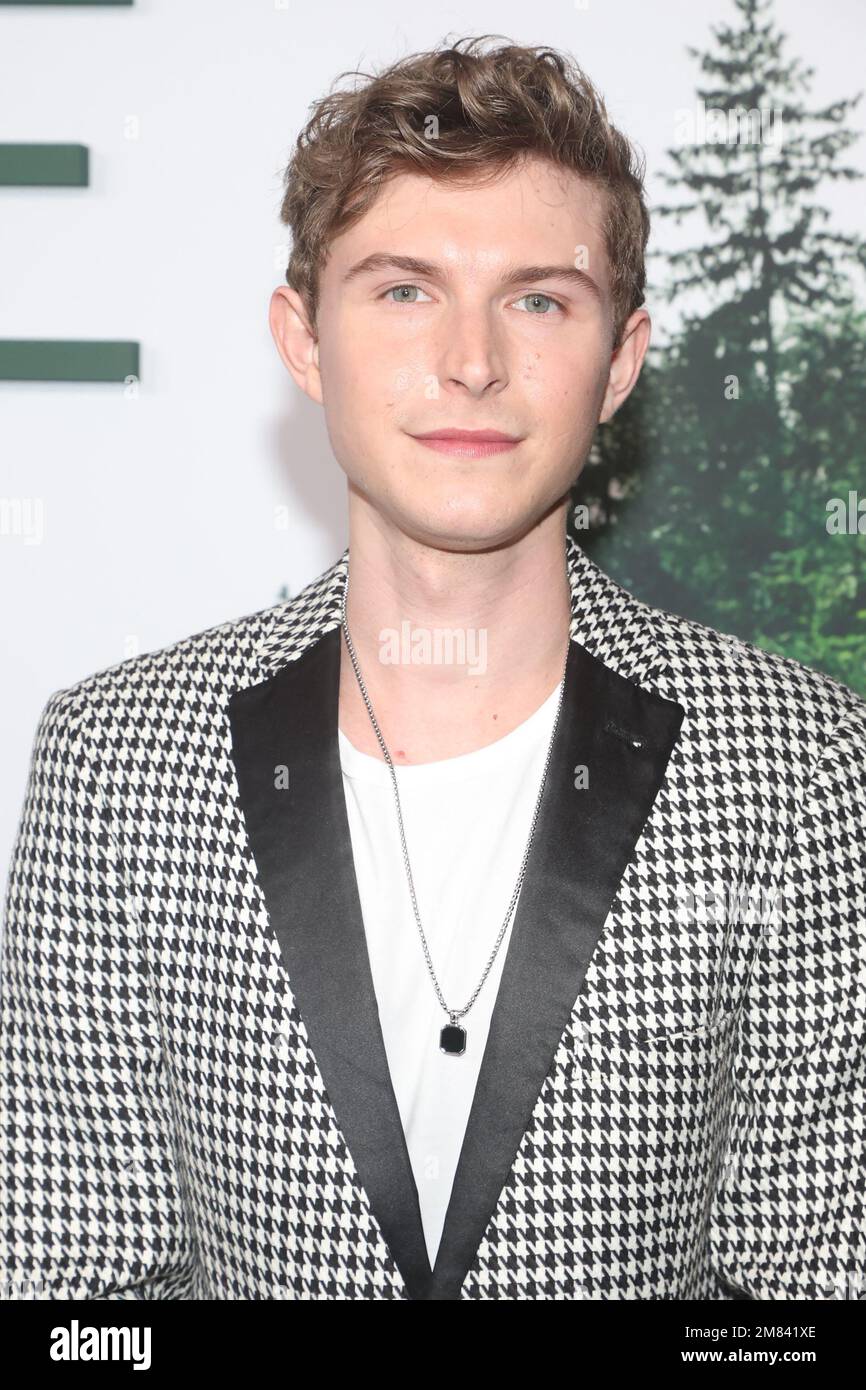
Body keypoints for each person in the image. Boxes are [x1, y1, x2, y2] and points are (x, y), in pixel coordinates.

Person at [1, 35, 864, 1302]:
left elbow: (814, 1305)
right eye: (403, 291)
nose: (471, 361)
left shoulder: (796, 763)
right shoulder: (119, 763)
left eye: (537, 299)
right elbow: (72, 1311)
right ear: (304, 342)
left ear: (619, 361)